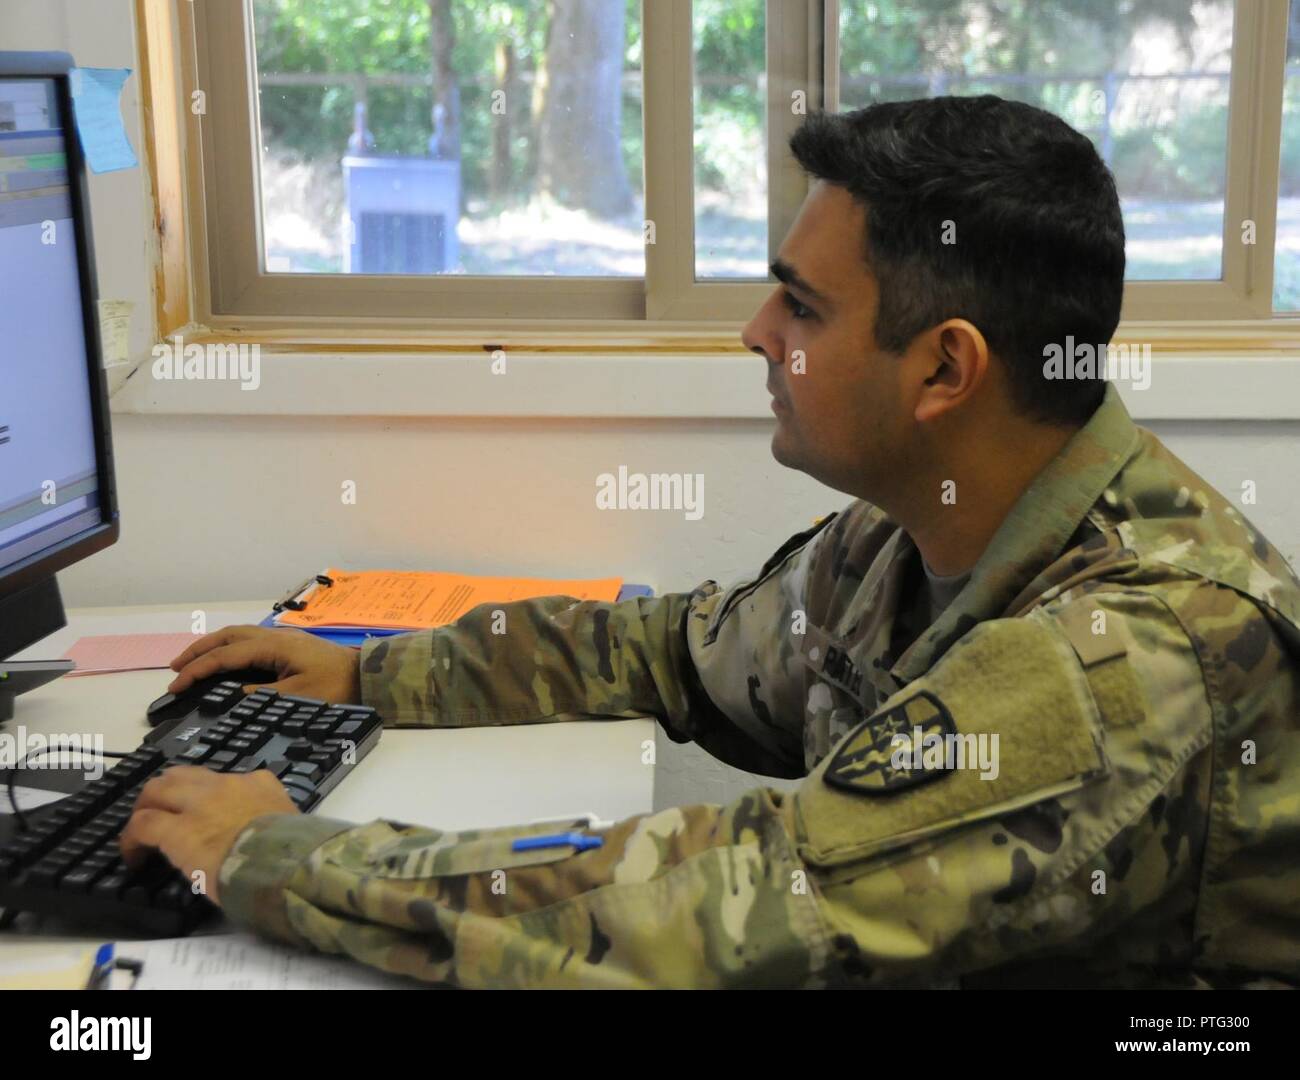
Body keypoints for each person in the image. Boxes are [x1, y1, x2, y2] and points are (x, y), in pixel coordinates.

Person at [120, 96, 1300, 989]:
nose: (754, 331)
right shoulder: (911, 537)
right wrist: (372, 673)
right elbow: (676, 650)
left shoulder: (1125, 656)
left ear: (944, 368)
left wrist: (273, 856)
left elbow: (727, 906)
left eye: (802, 305)